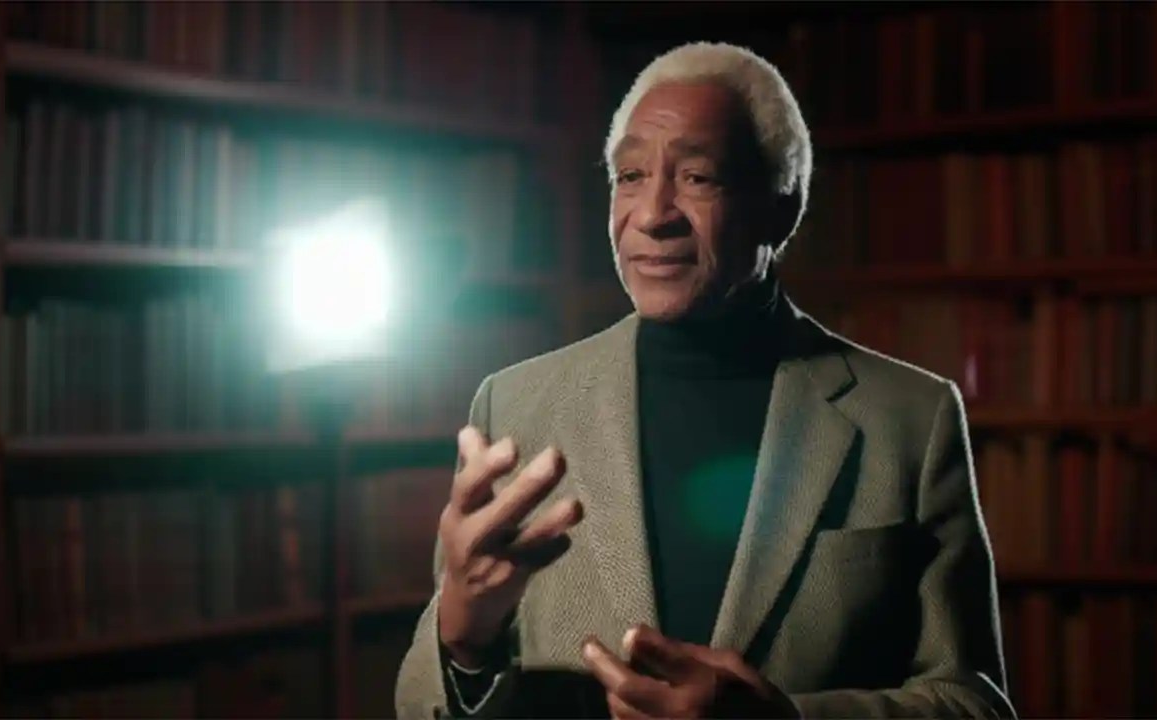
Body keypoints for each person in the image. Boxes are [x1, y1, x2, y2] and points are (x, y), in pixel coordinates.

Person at [396, 42, 1016, 719]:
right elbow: (420, 707)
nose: (653, 213)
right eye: (630, 175)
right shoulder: (513, 405)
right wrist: (460, 638)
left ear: (782, 209)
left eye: (699, 178)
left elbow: (973, 705)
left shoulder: (908, 417)